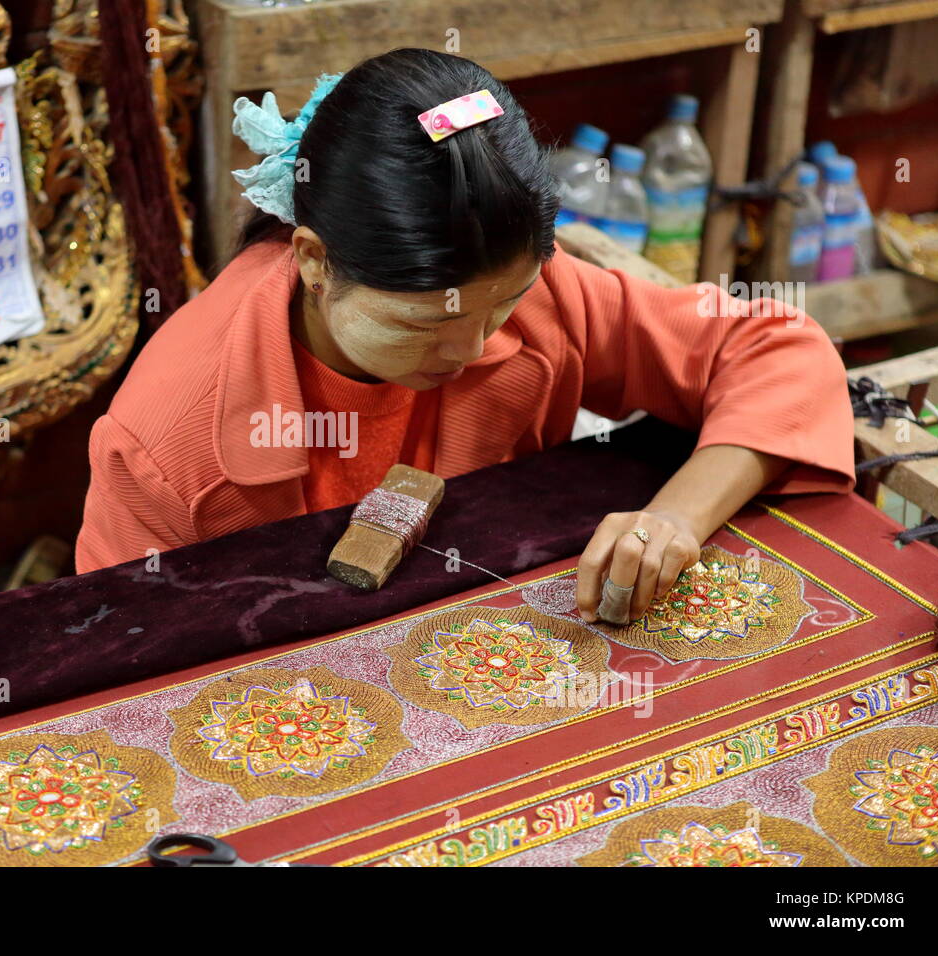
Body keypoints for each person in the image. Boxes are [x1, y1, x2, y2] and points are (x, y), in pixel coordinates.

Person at [75, 48, 855, 624]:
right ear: (314, 261)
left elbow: (772, 349)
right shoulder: (166, 442)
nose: (476, 347)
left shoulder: (539, 294)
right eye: (424, 323)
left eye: (502, 306)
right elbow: (114, 641)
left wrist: (676, 519)